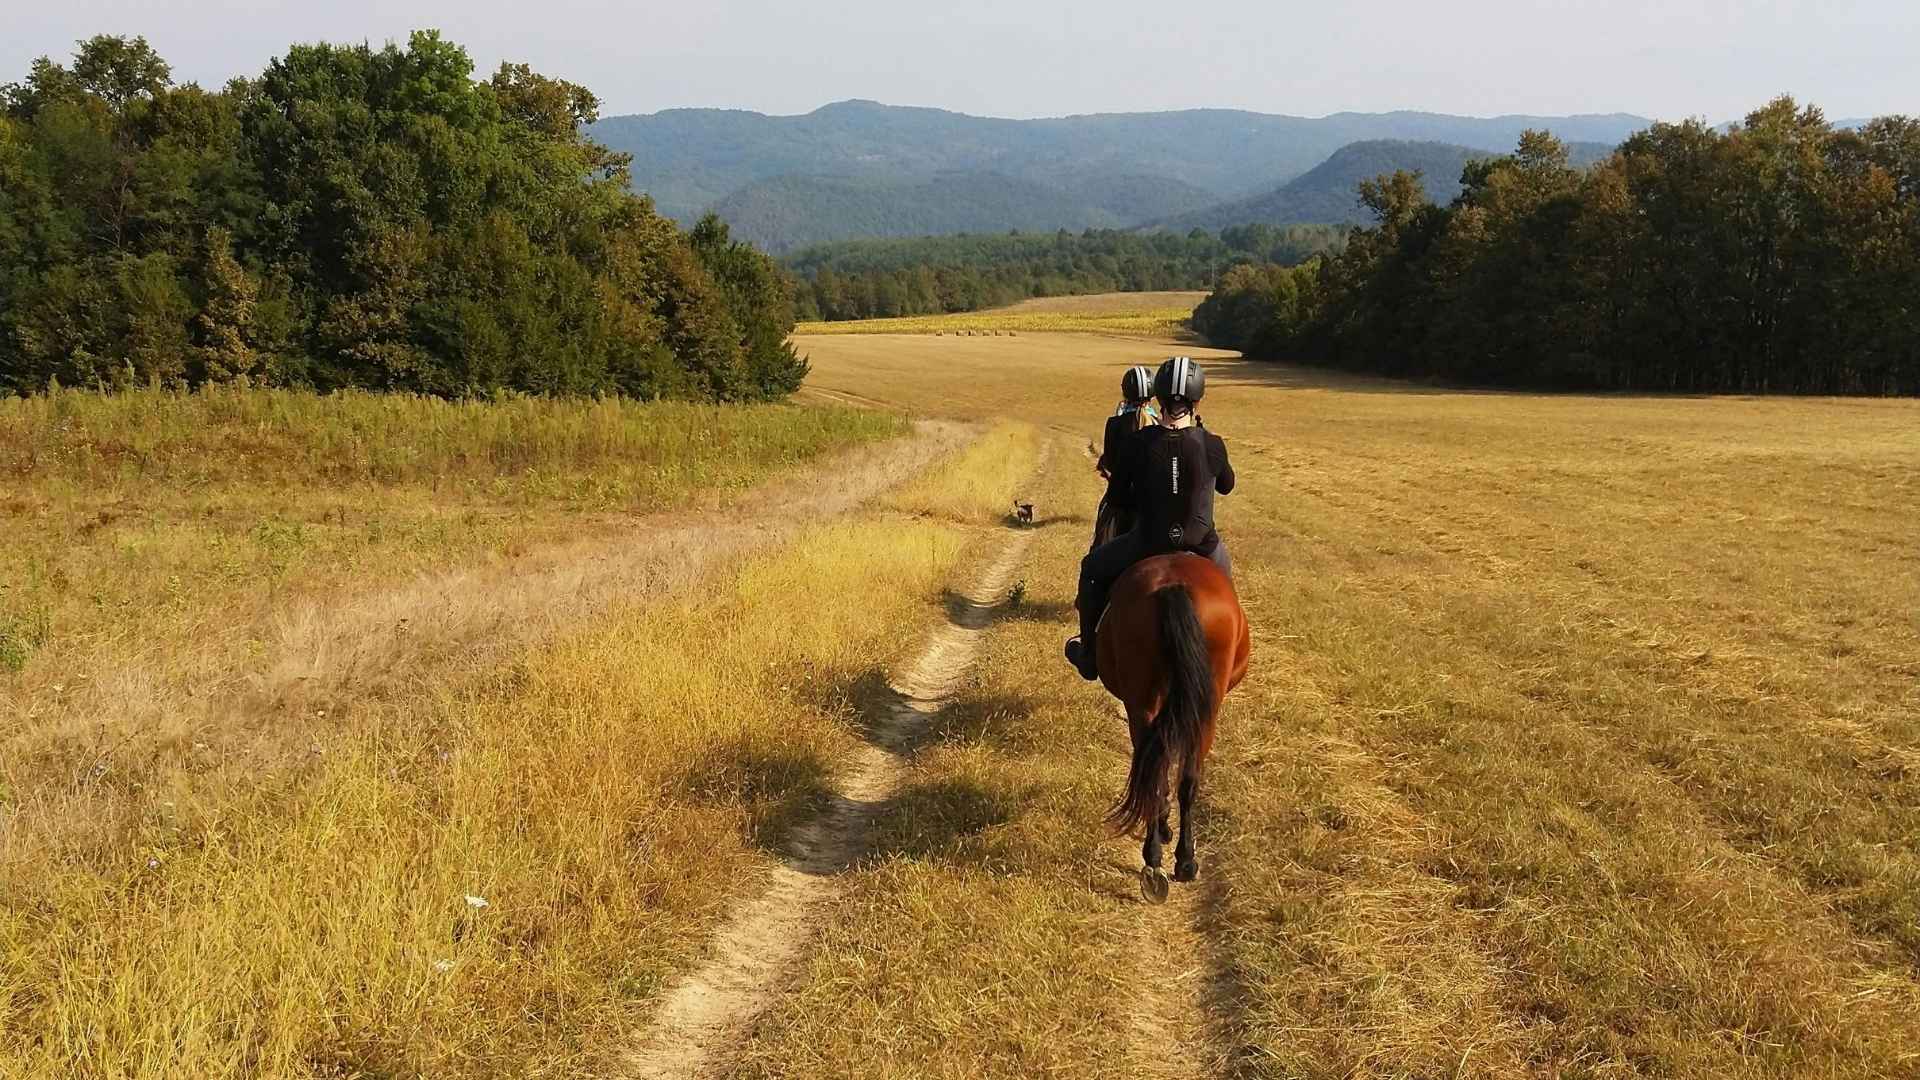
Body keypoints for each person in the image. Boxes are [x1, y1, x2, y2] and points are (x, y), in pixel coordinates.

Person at [1066, 356, 1234, 681]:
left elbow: (1115, 499)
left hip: (1146, 542)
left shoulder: (1135, 443)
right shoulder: (1212, 444)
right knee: (1225, 588)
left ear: (1158, 397)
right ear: (1198, 399)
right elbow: (1227, 486)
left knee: (1091, 570)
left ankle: (1088, 653)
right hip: (1202, 544)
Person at [1091, 365, 1158, 550]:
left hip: (1123, 502)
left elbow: (1111, 463)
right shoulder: (1159, 424)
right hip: (1154, 502)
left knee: (1095, 558)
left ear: (1125, 393)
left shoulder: (1114, 424)